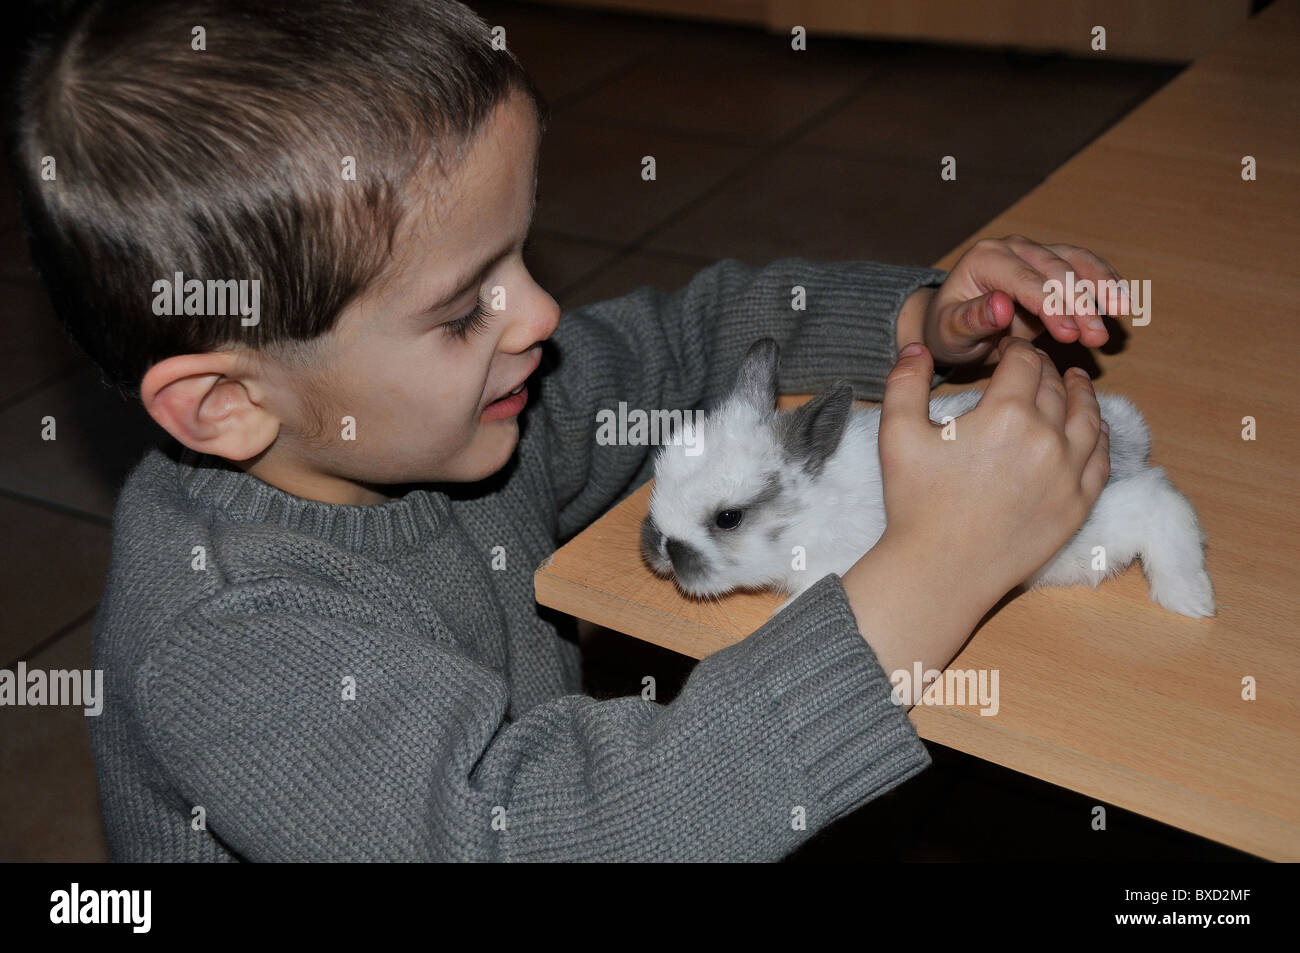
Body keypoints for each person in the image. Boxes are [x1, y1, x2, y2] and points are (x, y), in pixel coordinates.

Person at [11, 0, 1112, 860]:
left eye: (520, 254)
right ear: (226, 403)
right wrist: (938, 567)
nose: (539, 314)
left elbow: (703, 334)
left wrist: (919, 322)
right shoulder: (231, 648)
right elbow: (535, 831)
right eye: (461, 307)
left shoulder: (467, 410)